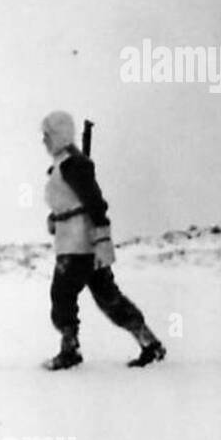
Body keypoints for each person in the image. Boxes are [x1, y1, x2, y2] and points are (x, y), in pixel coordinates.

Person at [40, 111, 165, 370]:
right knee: (109, 297)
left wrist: (102, 237)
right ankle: (148, 342)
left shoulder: (72, 165)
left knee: (62, 295)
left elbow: (95, 203)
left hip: (75, 246)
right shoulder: (67, 164)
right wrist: (56, 218)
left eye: (47, 136)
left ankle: (70, 349)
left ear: (58, 136)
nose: (44, 141)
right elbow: (73, 202)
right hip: (80, 244)